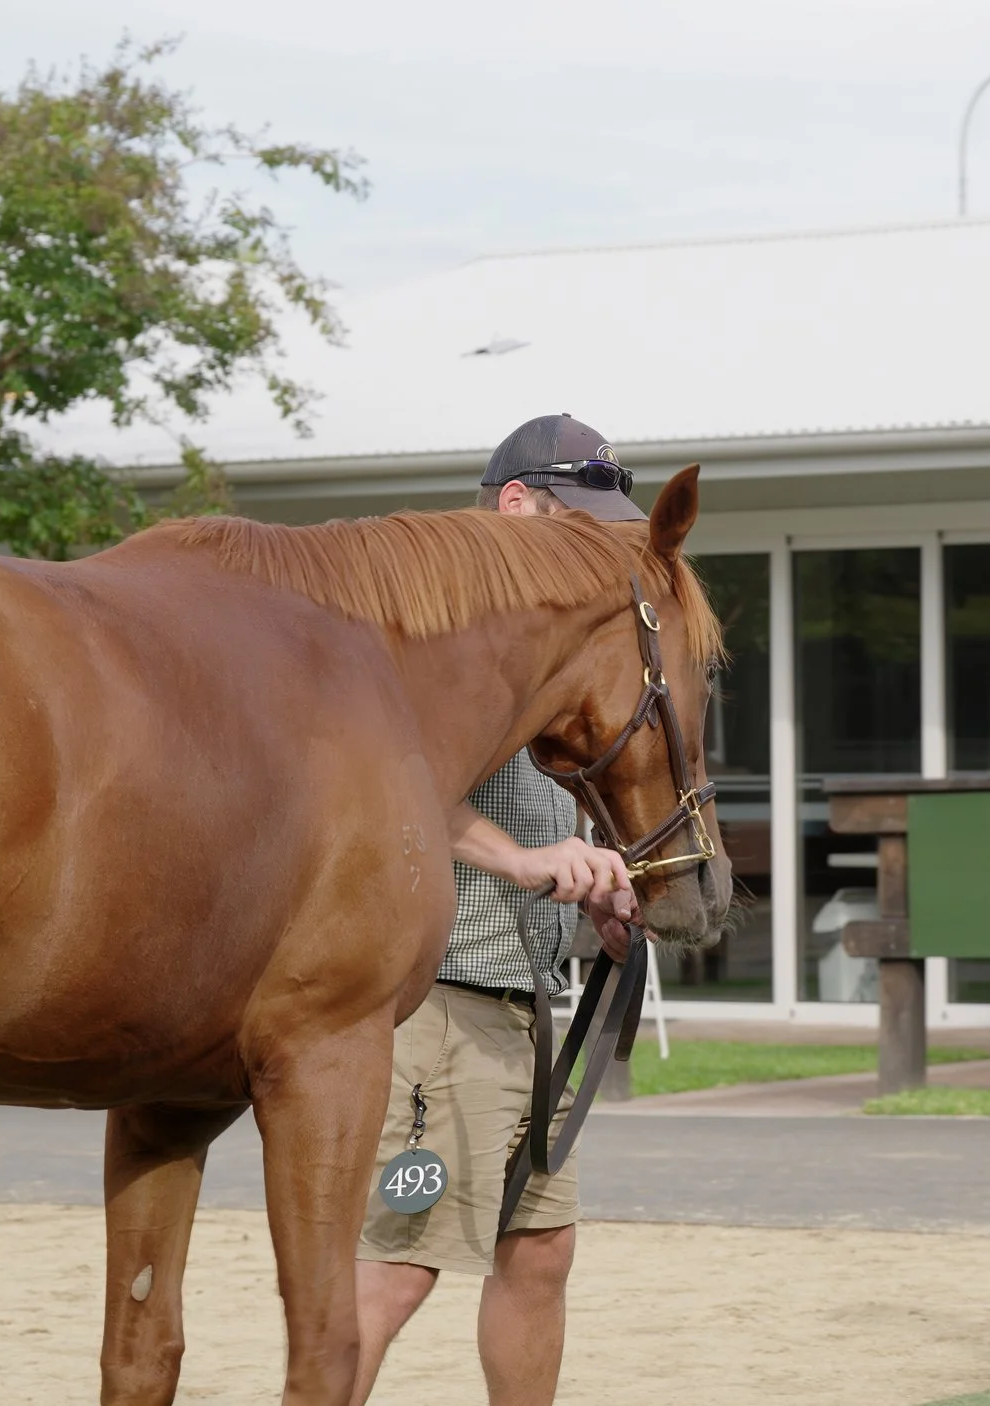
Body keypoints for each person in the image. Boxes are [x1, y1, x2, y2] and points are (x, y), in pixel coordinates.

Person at [350, 414, 649, 1406]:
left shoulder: (537, 646)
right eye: (581, 520)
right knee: (398, 1261)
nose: (599, 545)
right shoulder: (426, 630)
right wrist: (523, 860)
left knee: (539, 1249)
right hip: (427, 996)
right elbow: (389, 779)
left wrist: (593, 901)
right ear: (515, 503)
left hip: (524, 1000)